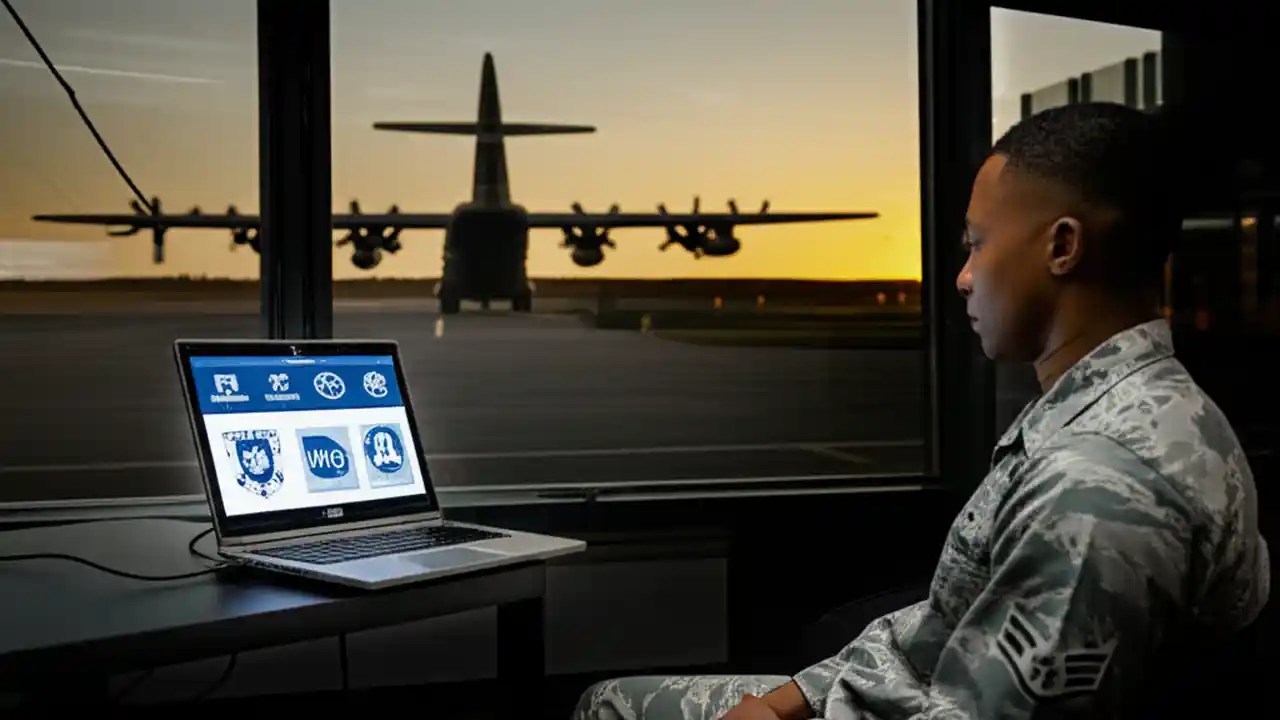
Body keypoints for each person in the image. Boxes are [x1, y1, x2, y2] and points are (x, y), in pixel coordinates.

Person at [572, 102, 1271, 719]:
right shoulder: (1137, 409)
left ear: (1062, 246)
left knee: (608, 706)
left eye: (977, 243)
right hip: (910, 692)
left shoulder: (1094, 487)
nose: (963, 276)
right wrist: (796, 697)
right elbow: (950, 621)